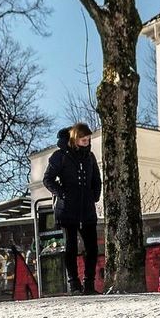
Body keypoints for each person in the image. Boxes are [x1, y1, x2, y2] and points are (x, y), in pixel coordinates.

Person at [43, 122, 102, 294]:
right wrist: (62, 193)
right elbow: (48, 179)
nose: (87, 142)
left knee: (92, 248)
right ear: (75, 139)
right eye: (84, 139)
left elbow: (96, 179)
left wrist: (94, 195)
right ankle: (74, 284)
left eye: (88, 139)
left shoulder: (89, 157)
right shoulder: (60, 156)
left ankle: (89, 284)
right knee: (71, 247)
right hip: (68, 208)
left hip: (87, 208)